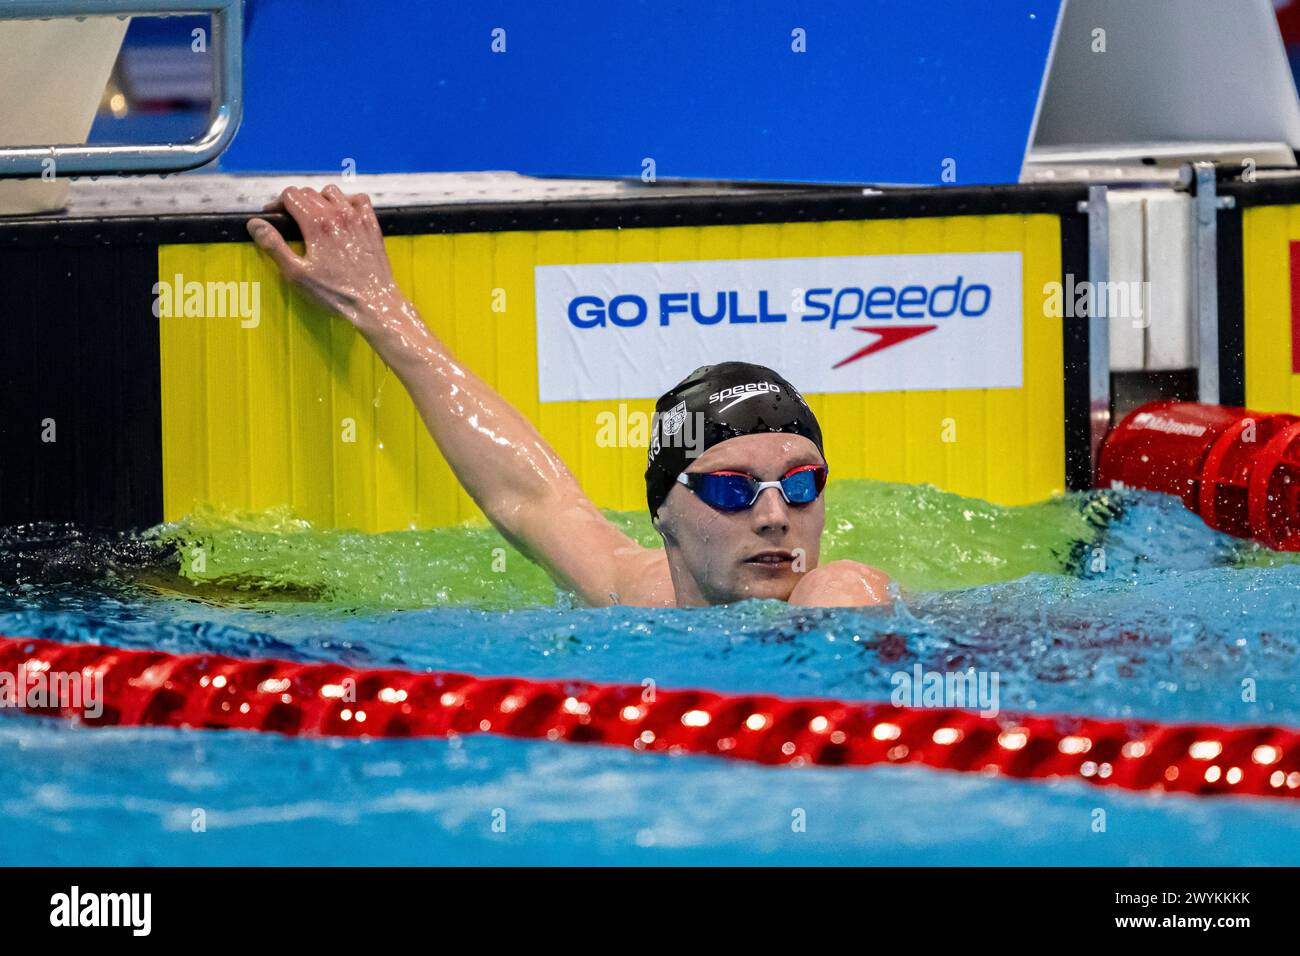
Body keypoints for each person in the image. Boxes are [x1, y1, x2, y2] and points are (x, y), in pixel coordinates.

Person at [247, 186, 892, 608]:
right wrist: (378, 306)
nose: (776, 516)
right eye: (733, 487)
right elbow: (535, 498)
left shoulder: (838, 596)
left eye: (802, 484)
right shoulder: (635, 592)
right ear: (662, 511)